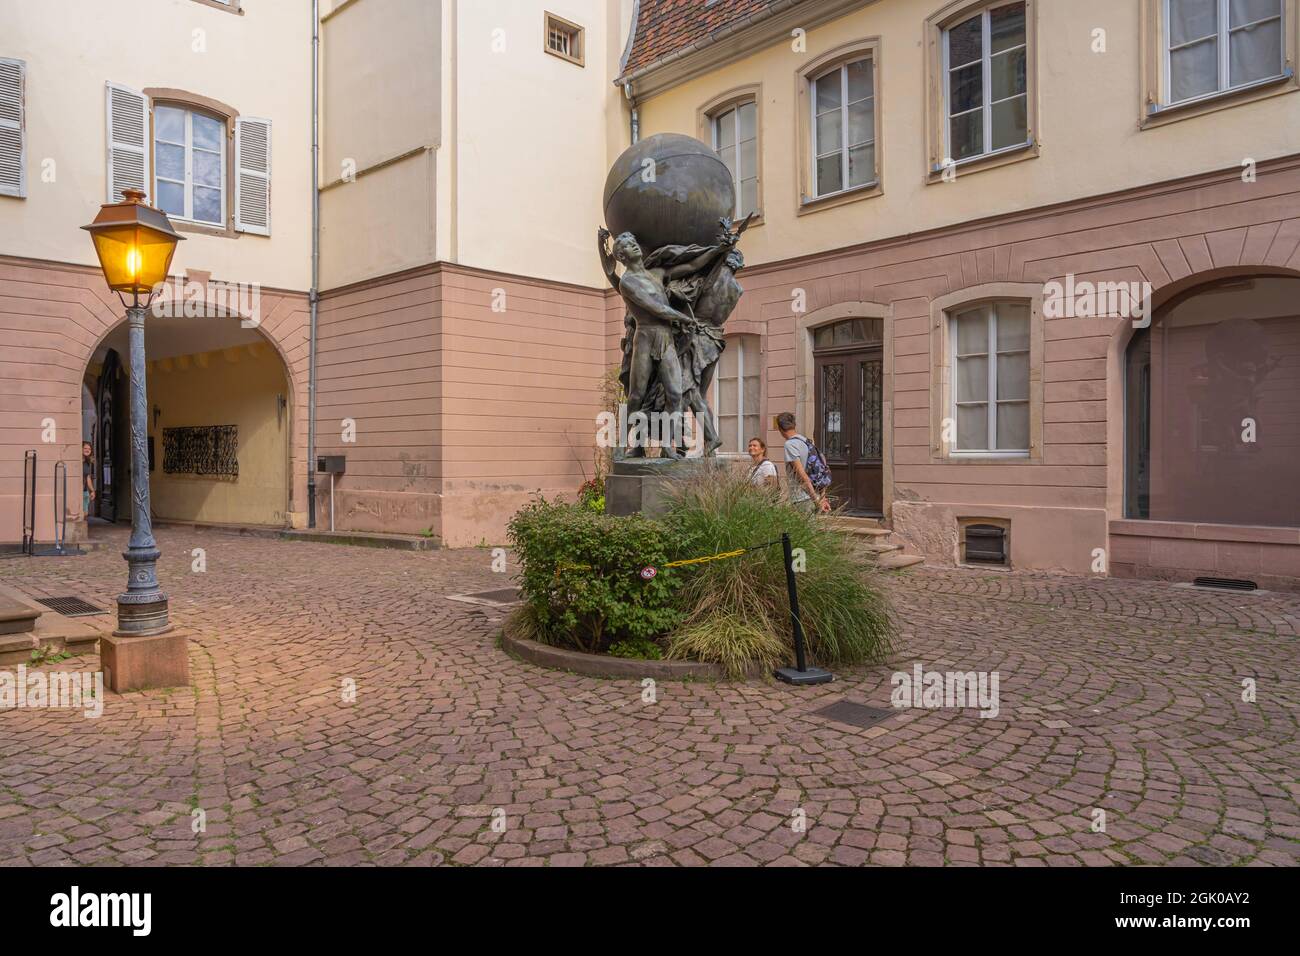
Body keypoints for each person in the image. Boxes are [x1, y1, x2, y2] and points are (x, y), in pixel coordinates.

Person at [777, 412, 831, 513]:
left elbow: (803, 476)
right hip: (816, 496)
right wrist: (822, 498)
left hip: (802, 498)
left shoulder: (790, 445)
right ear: (794, 425)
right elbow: (823, 469)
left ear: (780, 429)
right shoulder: (807, 441)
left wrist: (816, 501)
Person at [81, 441, 95, 518]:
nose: (87, 450)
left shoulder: (87, 462)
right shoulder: (78, 462)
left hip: (85, 491)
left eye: (89, 449)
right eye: (85, 448)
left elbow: (88, 477)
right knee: (82, 513)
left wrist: (92, 490)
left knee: (85, 513)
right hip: (79, 491)